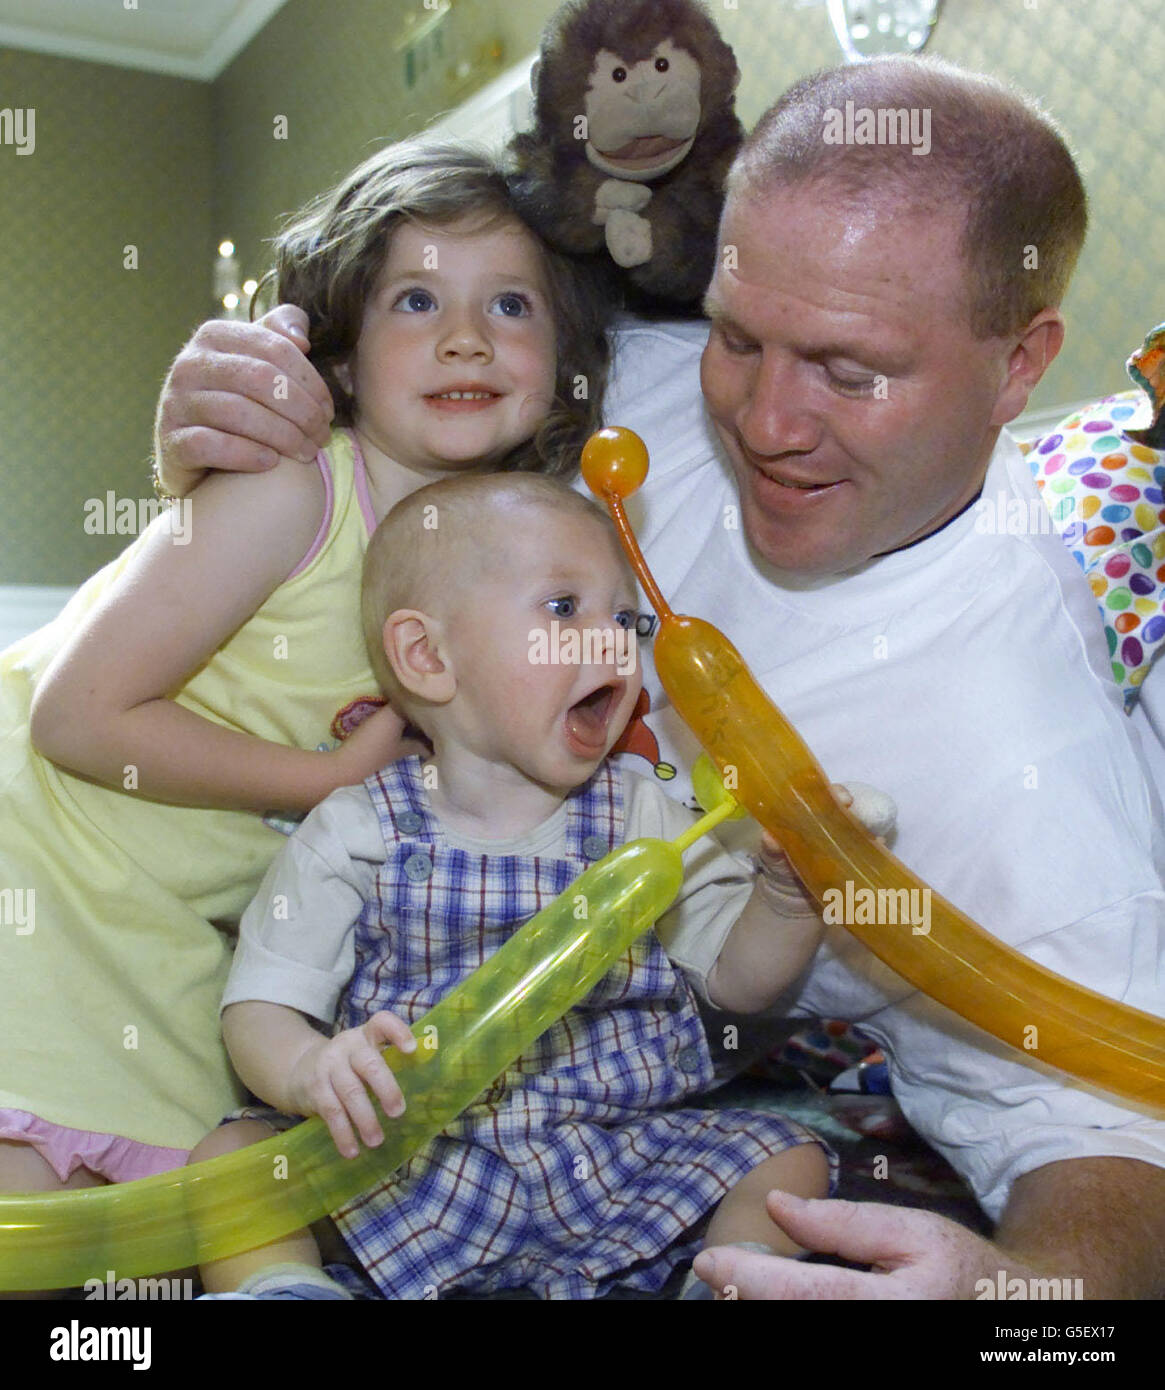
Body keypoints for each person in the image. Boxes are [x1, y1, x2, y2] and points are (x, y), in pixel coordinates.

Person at [155, 55, 1165, 1299]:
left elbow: (1112, 1148)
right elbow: (390, 437)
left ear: (1021, 367)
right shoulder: (623, 383)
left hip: (644, 1095)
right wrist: (227, 443)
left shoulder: (1031, 762)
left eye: (852, 373)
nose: (766, 421)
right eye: (740, 337)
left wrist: (1017, 1298)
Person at [0, 141, 614, 1211]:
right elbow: (76, 718)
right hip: (43, 851)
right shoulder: (294, 489)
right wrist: (322, 782)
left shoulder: (517, 556)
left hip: (175, 917)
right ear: (341, 356)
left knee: (160, 1207)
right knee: (36, 1201)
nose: (466, 336)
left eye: (510, 306)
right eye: (416, 300)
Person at [187, 471, 870, 1300]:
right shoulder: (357, 831)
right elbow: (260, 1002)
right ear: (429, 658)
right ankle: (286, 1292)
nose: (614, 643)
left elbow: (738, 981)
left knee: (788, 1158)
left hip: (608, 1153)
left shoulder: (643, 811)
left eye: (624, 618)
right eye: (562, 610)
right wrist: (306, 1070)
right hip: (397, 1159)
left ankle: (731, 1280)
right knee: (227, 1166)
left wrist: (787, 898)